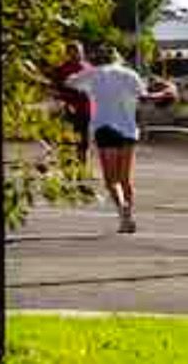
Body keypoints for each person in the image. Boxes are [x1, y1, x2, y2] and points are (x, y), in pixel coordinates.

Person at [66, 46, 178, 233]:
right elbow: (144, 98)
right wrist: (167, 92)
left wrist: (80, 72)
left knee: (111, 181)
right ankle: (129, 215)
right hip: (127, 130)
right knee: (125, 179)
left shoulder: (92, 74)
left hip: (105, 129)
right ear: (117, 58)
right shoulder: (130, 74)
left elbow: (69, 82)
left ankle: (122, 211)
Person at [50, 42, 95, 166]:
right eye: (72, 51)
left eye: (78, 51)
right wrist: (62, 99)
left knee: (85, 139)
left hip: (86, 107)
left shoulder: (89, 68)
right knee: (68, 137)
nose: (76, 54)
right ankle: (67, 164)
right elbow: (55, 88)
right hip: (69, 107)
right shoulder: (62, 69)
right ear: (67, 53)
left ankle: (83, 165)